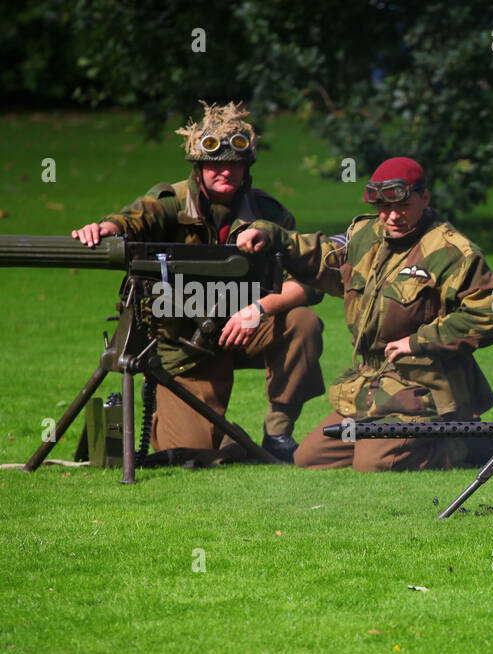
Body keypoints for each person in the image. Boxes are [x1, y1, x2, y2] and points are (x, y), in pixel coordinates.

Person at [71, 101, 324, 462]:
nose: (225, 172)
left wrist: (258, 309)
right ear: (198, 167)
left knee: (303, 323)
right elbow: (130, 222)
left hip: (245, 329)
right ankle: (219, 435)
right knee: (191, 454)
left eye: (234, 163)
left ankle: (278, 434)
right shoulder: (171, 203)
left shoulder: (269, 214)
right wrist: (104, 229)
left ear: (246, 167)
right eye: (215, 164)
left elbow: (311, 280)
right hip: (188, 347)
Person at [236, 157, 493, 471]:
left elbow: (487, 314)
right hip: (370, 385)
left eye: (402, 206)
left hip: (422, 386)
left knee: (375, 463)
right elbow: (323, 258)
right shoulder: (366, 235)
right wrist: (271, 234)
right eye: (383, 208)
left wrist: (419, 341)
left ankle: (463, 444)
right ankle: (388, 443)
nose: (392, 216)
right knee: (310, 458)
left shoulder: (452, 251)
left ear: (425, 198)